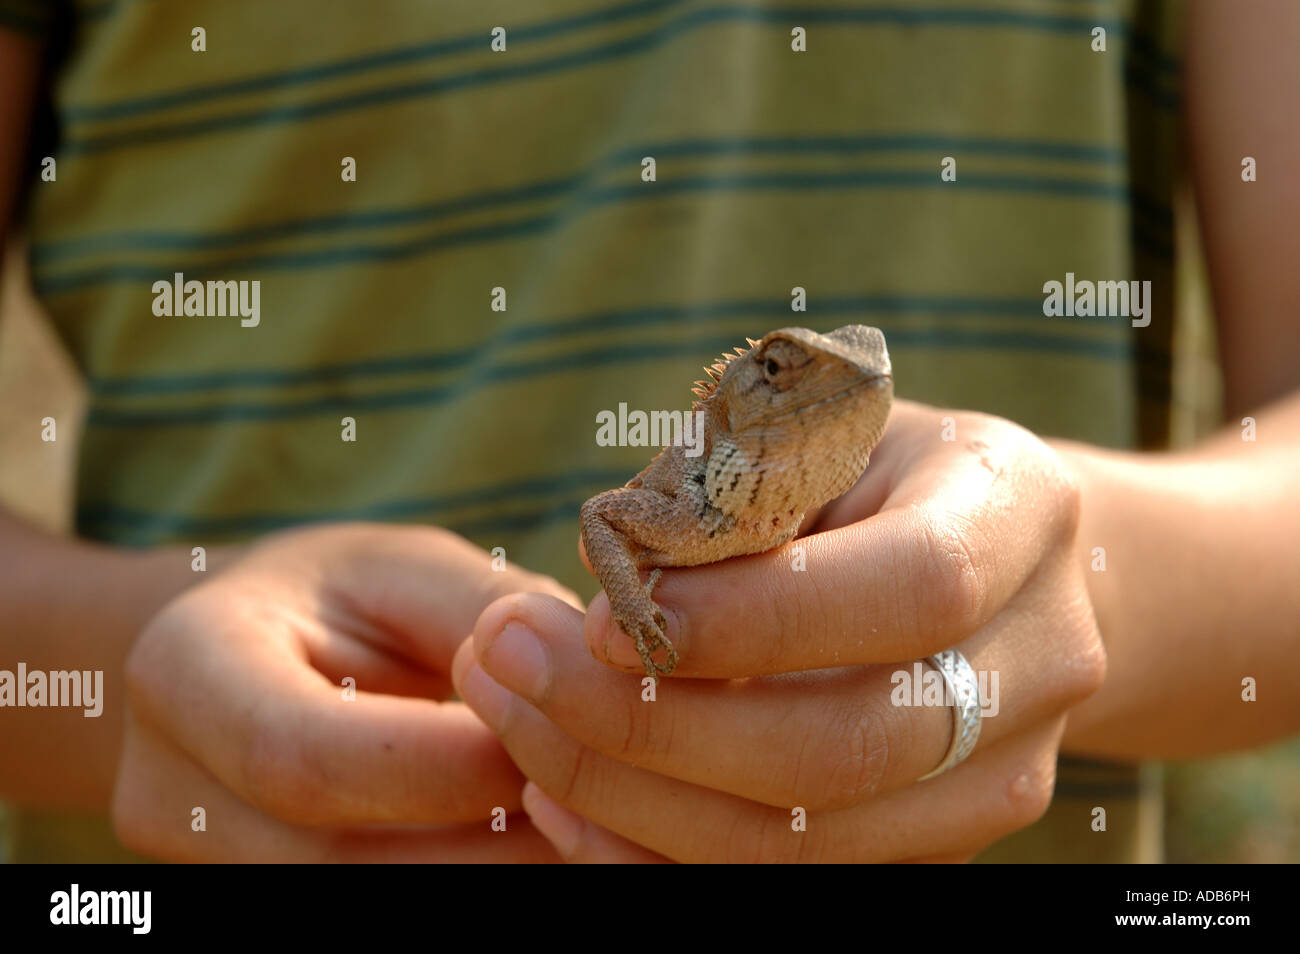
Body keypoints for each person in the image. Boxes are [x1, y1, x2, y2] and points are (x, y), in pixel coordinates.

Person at [0, 0, 1296, 863]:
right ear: (740, 396)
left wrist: (1062, 577)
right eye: (790, 366)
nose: (839, 382)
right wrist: (141, 683)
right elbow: (603, 521)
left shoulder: (802, 492)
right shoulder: (691, 499)